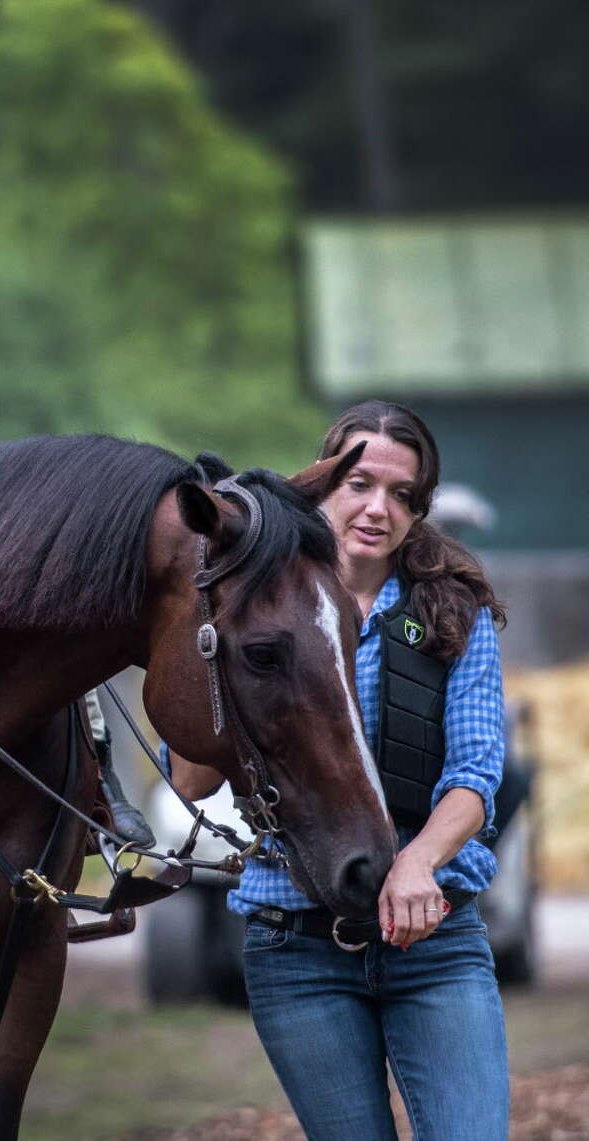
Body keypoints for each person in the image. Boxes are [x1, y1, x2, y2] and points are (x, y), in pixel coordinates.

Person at [170, 399, 510, 1140]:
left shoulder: (454, 613)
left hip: (436, 940)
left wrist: (417, 862)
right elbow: (193, 782)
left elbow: (476, 775)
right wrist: (207, 647)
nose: (378, 508)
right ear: (323, 483)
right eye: (360, 484)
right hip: (294, 947)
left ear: (420, 510)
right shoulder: (253, 607)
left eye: (403, 494)